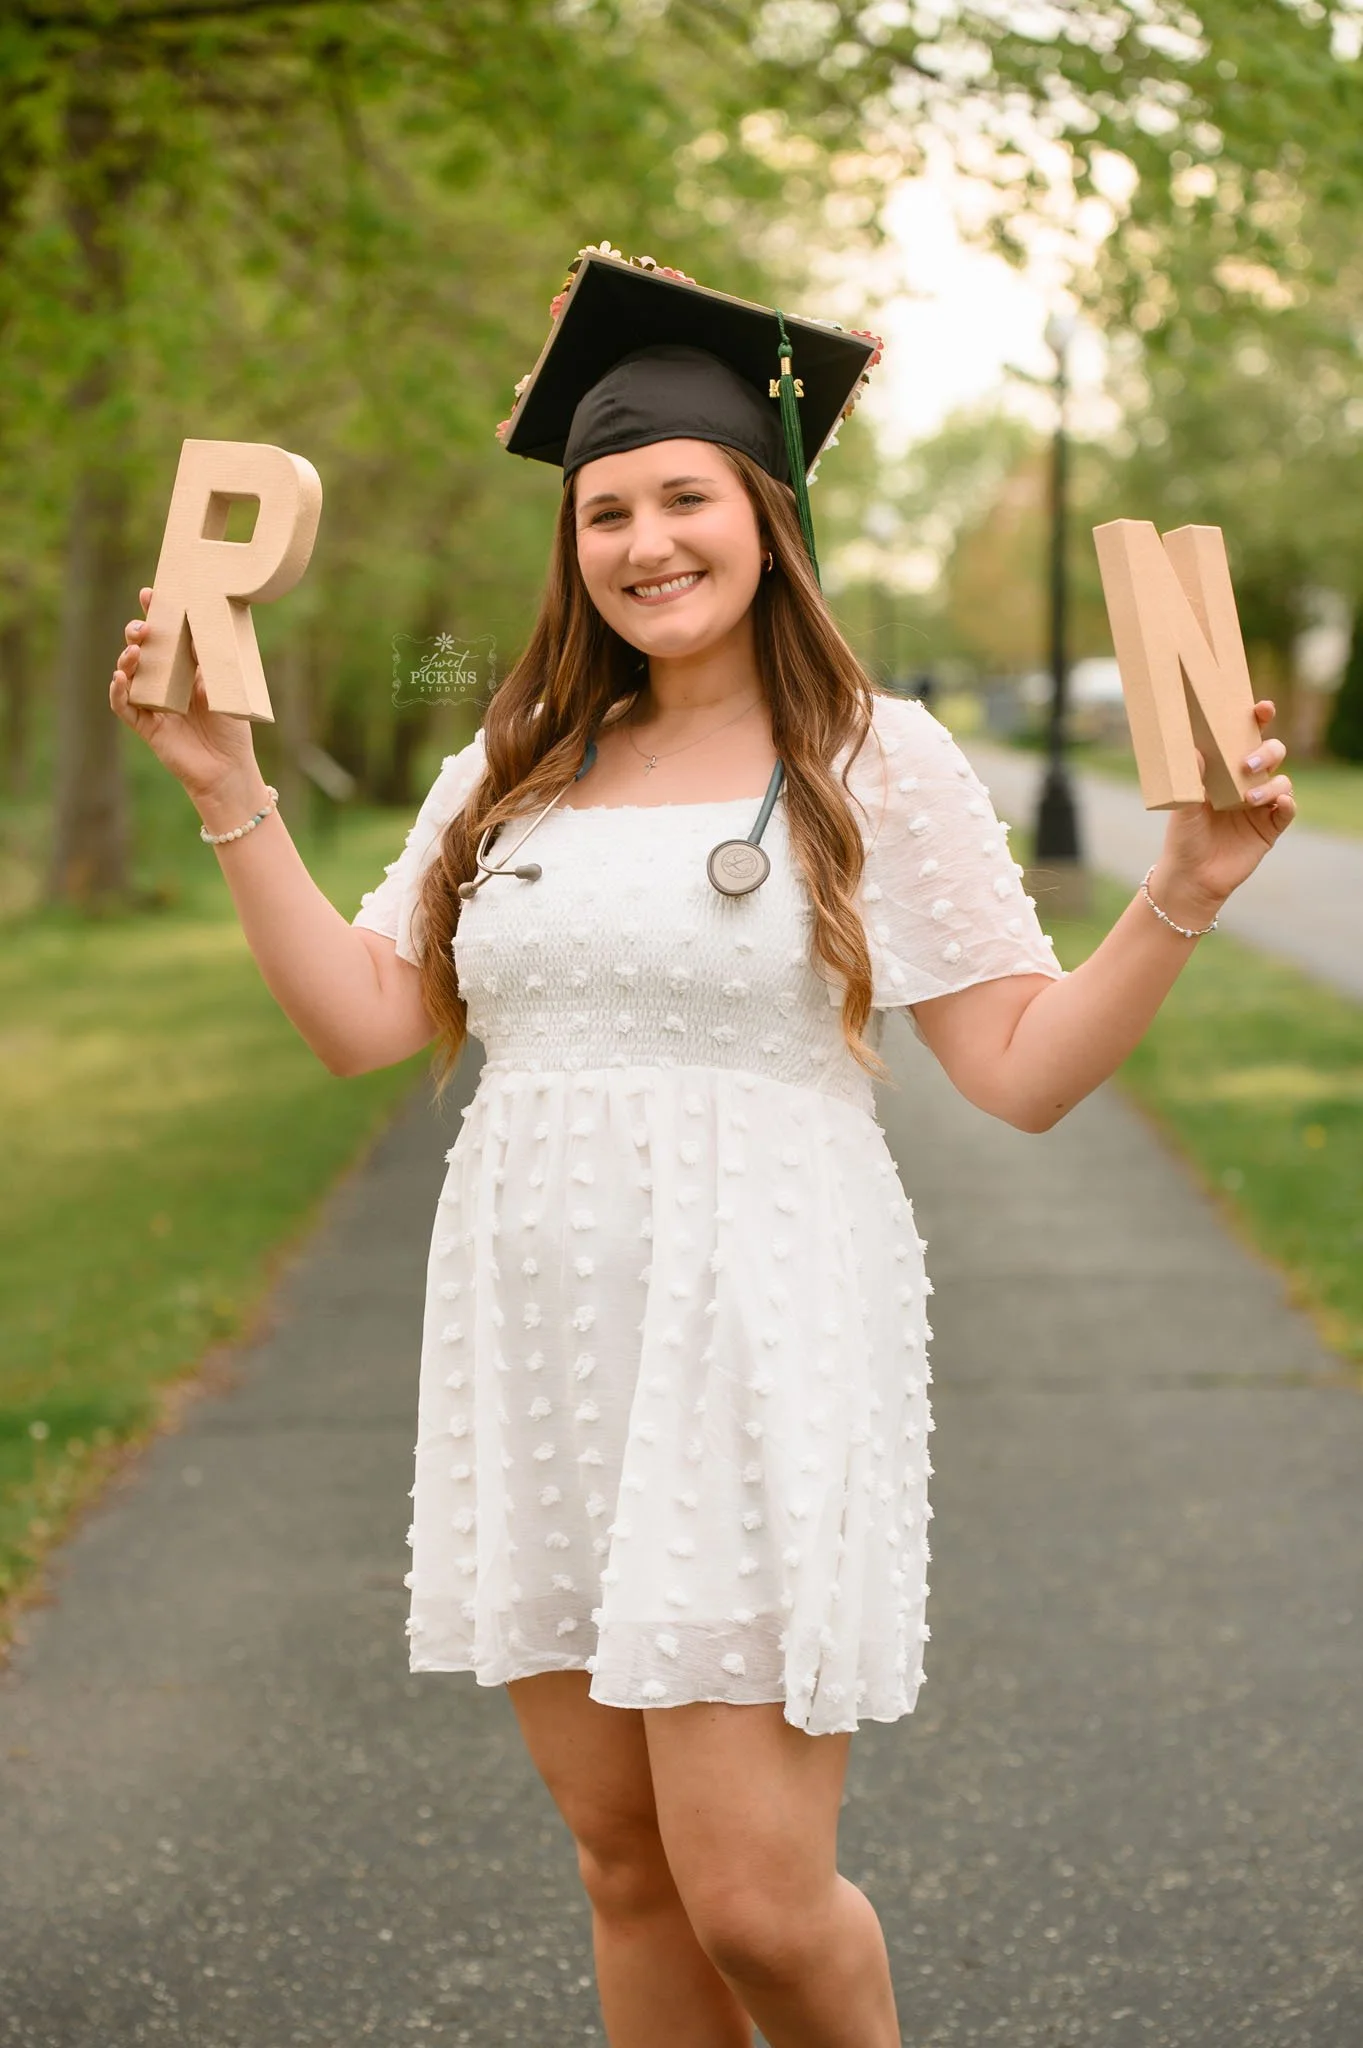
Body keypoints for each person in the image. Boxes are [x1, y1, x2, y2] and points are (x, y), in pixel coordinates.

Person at [109, 243, 1296, 2048]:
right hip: (539, 1341)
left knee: (754, 1901)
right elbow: (361, 1014)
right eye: (605, 511)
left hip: (759, 1334)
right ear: (568, 543)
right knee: (623, 1866)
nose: (645, 541)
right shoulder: (512, 757)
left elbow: (1023, 1069)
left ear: (766, 515)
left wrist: (1182, 893)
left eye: (684, 497)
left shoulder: (870, 761)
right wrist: (221, 786)